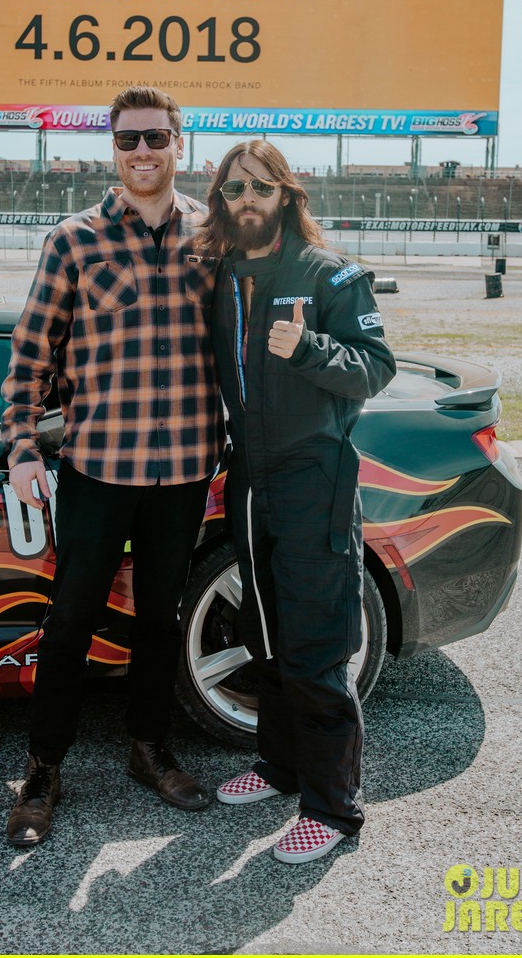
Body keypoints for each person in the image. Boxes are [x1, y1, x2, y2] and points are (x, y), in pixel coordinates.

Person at [2, 85, 222, 847]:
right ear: (112, 149)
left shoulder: (212, 236)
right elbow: (31, 352)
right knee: (69, 624)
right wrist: (24, 446)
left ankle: (148, 749)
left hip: (186, 466)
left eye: (155, 138)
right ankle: (43, 770)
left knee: (160, 619)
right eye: (128, 140)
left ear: (177, 145)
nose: (142, 153)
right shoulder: (73, 239)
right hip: (97, 468)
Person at [197, 140, 396, 865]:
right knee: (265, 633)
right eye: (230, 189)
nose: (243, 199)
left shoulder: (328, 272)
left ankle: (334, 808)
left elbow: (374, 368)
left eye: (257, 187)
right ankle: (279, 767)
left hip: (315, 478)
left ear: (285, 193)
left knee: (315, 647)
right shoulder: (219, 273)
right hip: (250, 477)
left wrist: (309, 349)